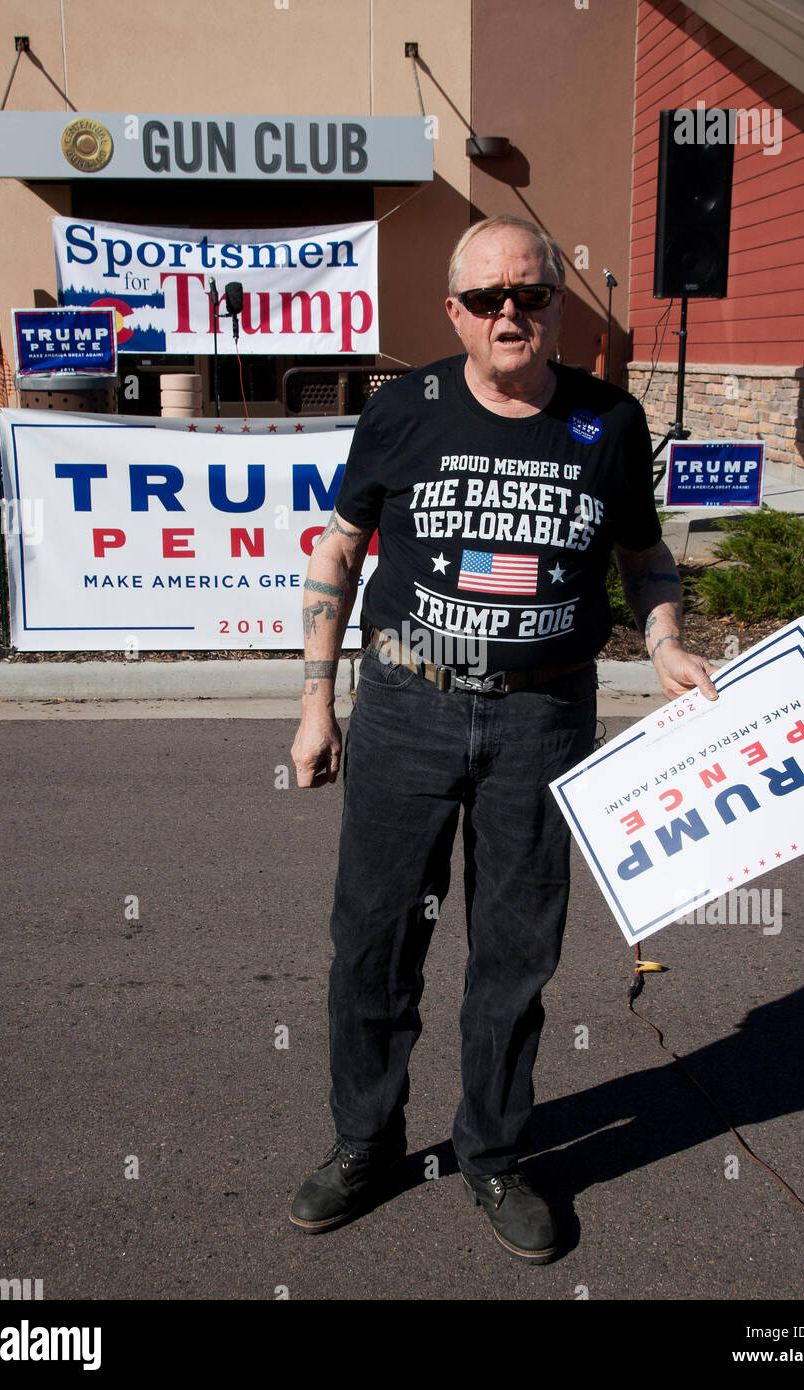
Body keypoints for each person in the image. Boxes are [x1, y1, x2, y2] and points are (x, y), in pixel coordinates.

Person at [288, 215, 717, 1263]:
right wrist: (313, 704)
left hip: (545, 716)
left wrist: (664, 641)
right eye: (487, 300)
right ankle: (365, 1143)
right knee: (376, 942)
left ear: (555, 306)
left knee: (516, 954)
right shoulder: (401, 409)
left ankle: (492, 1153)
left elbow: (643, 552)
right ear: (455, 313)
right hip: (406, 704)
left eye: (528, 295)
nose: (510, 314)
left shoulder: (608, 420)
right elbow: (340, 552)